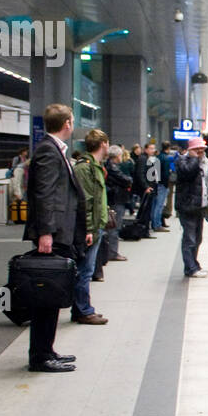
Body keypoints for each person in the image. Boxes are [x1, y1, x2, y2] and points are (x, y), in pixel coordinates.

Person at [24, 103, 89, 372]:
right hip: (54, 235)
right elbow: (44, 195)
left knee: (52, 294)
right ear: (66, 124)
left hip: (62, 232)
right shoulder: (49, 152)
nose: (72, 125)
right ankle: (40, 356)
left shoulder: (54, 150)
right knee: (47, 296)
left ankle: (47, 349)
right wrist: (46, 233)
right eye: (72, 121)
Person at [71, 128, 111, 325]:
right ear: (103, 144)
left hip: (96, 226)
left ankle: (82, 308)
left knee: (86, 270)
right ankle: (83, 311)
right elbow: (84, 201)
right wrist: (88, 229)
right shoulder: (85, 168)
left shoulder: (94, 166)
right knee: (84, 271)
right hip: (90, 229)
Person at [174, 136, 208, 278]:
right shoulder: (182, 162)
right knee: (190, 239)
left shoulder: (206, 163)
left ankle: (194, 265)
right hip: (187, 207)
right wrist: (193, 158)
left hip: (199, 207)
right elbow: (188, 173)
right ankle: (190, 269)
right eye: (196, 148)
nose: (199, 151)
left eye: (201, 148)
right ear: (190, 150)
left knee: (197, 238)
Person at [104, 144, 131, 262]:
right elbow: (126, 180)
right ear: (117, 156)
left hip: (114, 198)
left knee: (112, 227)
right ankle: (112, 253)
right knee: (114, 226)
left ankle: (110, 252)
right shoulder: (112, 168)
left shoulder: (108, 166)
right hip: (116, 199)